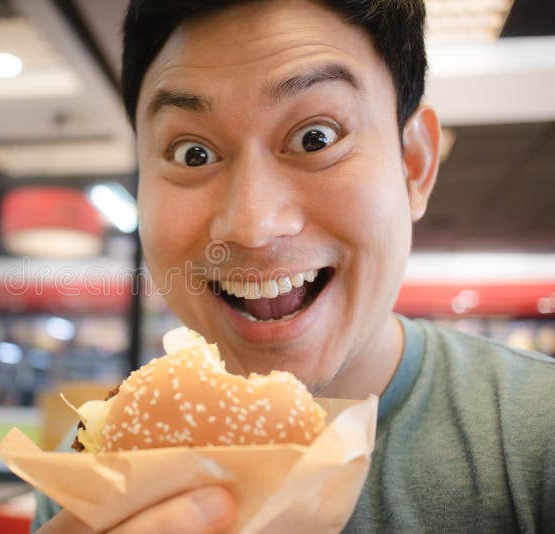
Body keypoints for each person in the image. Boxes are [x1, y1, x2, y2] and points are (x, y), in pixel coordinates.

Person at [34, 0, 555, 531]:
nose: (252, 225)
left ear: (414, 166)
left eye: (316, 138)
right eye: (193, 153)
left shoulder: (537, 437)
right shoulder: (98, 468)